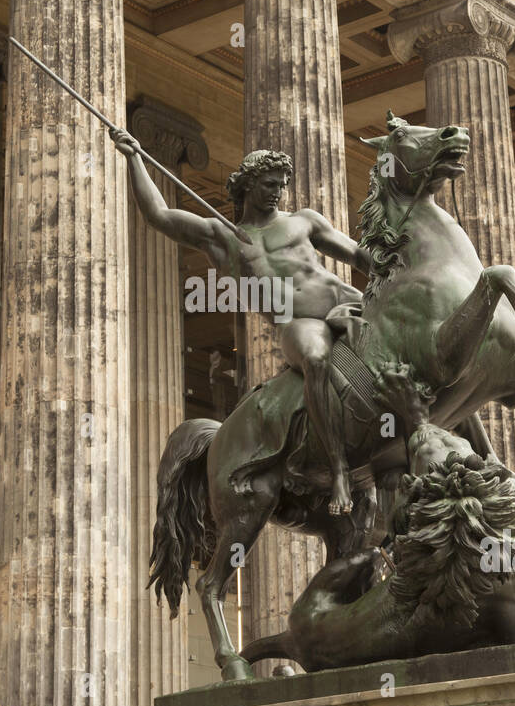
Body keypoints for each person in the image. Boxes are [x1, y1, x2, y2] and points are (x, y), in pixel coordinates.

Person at [112, 128, 368, 515]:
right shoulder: (225, 238)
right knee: (316, 360)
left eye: (281, 185)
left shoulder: (304, 221)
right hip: (298, 322)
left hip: (346, 302)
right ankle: (339, 471)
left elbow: (358, 256)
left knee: (413, 337)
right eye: (268, 185)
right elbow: (159, 216)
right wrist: (135, 158)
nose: (276, 193)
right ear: (247, 185)